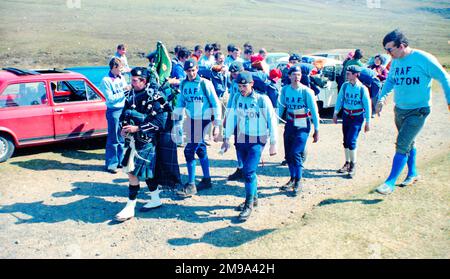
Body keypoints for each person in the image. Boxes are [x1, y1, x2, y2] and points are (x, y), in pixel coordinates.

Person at [374, 29, 450, 195]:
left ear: (401, 46)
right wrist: (381, 99)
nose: (387, 53)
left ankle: (390, 182)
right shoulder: (395, 61)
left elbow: (444, 77)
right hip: (400, 110)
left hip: (419, 110)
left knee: (402, 143)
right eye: (386, 50)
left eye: (389, 49)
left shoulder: (423, 58)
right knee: (410, 142)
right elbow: (390, 81)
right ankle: (413, 173)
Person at [221, 71, 278, 222]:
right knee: (247, 170)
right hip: (241, 138)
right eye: (239, 86)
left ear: (251, 84)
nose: (241, 89)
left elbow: (272, 121)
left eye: (244, 86)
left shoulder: (262, 100)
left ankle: (248, 204)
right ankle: (254, 198)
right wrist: (226, 138)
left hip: (257, 139)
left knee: (248, 171)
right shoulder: (237, 98)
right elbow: (232, 117)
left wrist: (273, 143)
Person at [114, 67, 167, 222]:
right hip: (132, 140)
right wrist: (123, 128)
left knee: (132, 173)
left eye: (135, 80)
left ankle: (130, 207)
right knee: (146, 174)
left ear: (144, 81)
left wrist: (138, 128)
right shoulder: (130, 94)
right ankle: (155, 198)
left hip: (147, 141)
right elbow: (124, 113)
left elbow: (160, 122)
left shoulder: (155, 97)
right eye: (131, 80)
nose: (132, 83)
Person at [173, 59, 222, 197]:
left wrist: (217, 125)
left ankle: (191, 185)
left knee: (189, 151)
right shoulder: (184, 84)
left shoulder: (205, 83)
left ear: (197, 69)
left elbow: (216, 103)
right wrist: (175, 119)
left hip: (204, 119)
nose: (191, 73)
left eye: (193, 70)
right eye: (188, 71)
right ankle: (207, 180)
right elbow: (180, 102)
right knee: (200, 149)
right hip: (191, 119)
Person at [278, 65, 320, 196]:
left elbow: (314, 111)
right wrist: (275, 123)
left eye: (299, 75)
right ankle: (292, 178)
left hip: (302, 122)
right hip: (290, 122)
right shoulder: (285, 90)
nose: (296, 77)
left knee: (296, 152)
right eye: (294, 75)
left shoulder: (306, 91)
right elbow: (280, 108)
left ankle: (299, 180)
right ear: (289, 76)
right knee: (288, 153)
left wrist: (317, 129)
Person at [333, 65, 371, 178]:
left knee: (351, 140)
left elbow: (367, 106)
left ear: (356, 74)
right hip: (346, 115)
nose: (347, 75)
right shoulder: (345, 86)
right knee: (345, 140)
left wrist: (368, 122)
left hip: (357, 117)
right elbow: (340, 99)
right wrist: (335, 113)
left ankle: (353, 165)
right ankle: (347, 162)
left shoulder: (362, 88)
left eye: (349, 73)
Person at [100, 57, 130, 174]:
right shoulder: (106, 80)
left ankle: (120, 161)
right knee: (113, 138)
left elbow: (126, 91)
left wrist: (127, 90)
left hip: (123, 109)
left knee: (122, 136)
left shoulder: (121, 78)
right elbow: (111, 99)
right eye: (120, 68)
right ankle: (111, 163)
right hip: (113, 111)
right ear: (114, 67)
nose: (122, 70)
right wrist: (123, 91)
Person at [224, 61, 245, 181]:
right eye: (232, 73)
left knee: (247, 143)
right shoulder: (233, 83)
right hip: (236, 116)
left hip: (247, 117)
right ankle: (241, 167)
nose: (233, 75)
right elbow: (231, 100)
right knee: (238, 143)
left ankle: (247, 169)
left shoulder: (248, 82)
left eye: (235, 73)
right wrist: (227, 116)